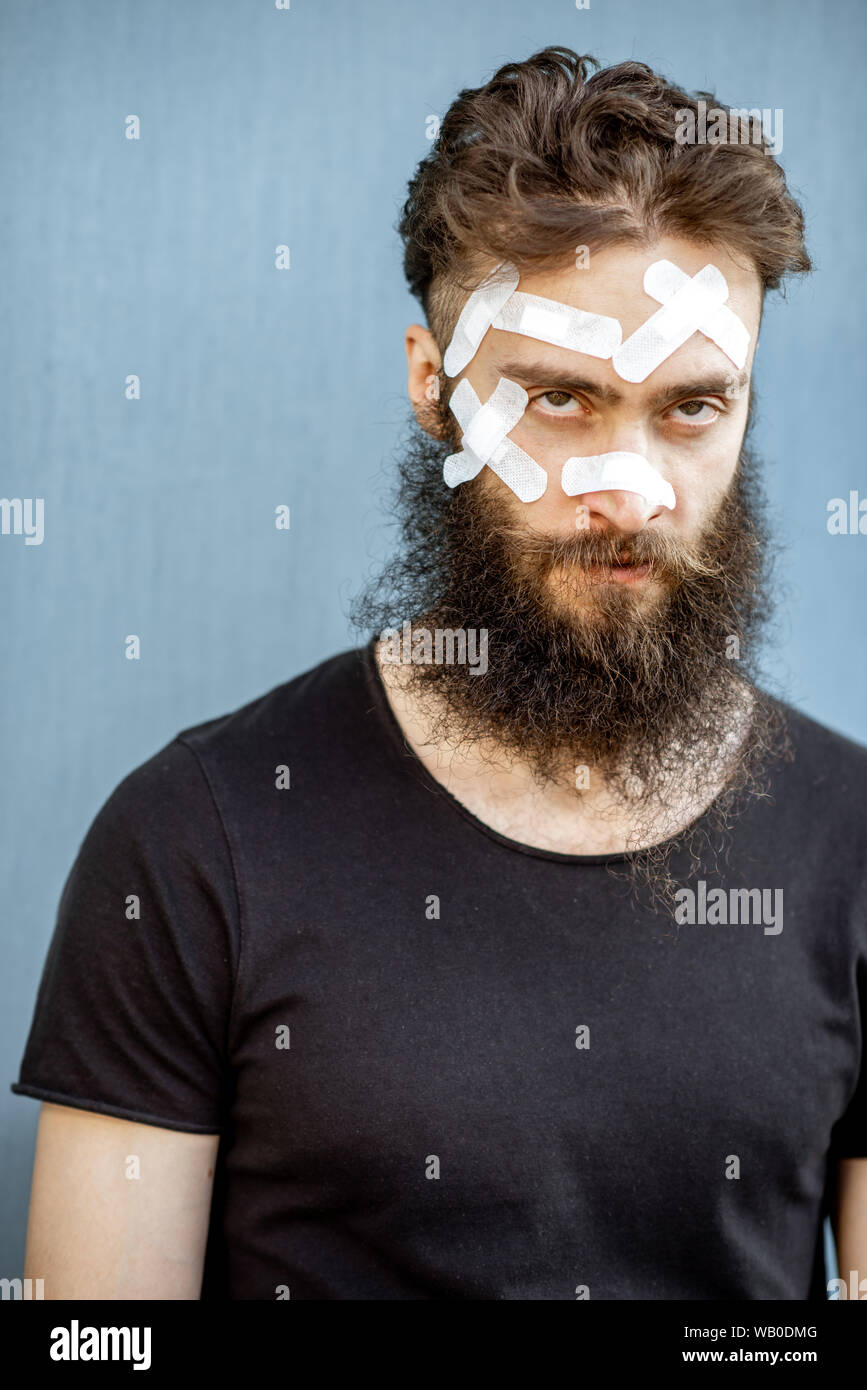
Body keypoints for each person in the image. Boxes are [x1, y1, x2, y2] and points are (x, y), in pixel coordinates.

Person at [12, 47, 867, 1300]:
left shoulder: (853, 841)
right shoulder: (197, 843)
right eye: (559, 400)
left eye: (691, 407)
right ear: (436, 388)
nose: (625, 490)